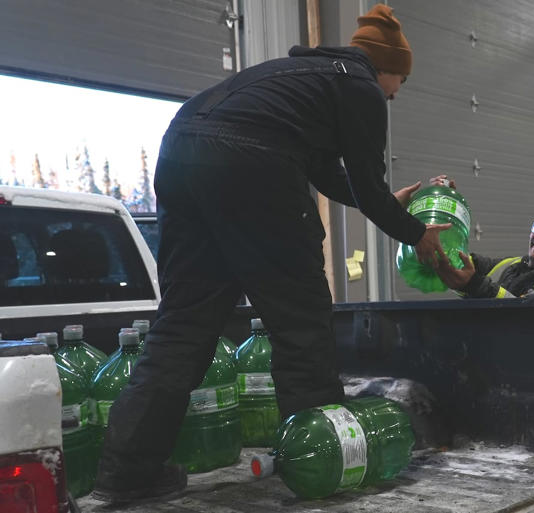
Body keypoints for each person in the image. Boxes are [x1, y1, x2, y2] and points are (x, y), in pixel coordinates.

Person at [93, 4, 449, 503]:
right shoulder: (360, 87)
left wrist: (387, 202)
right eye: (400, 82)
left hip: (181, 150)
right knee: (301, 320)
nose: (395, 93)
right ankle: (322, 462)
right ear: (384, 67)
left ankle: (127, 471)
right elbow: (368, 188)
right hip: (250, 160)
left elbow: (329, 176)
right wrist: (418, 234)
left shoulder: (300, 78)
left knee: (183, 326)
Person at [433, 177, 534, 298]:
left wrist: (473, 284)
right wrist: (446, 207)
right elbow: (457, 259)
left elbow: (523, 313)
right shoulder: (510, 265)